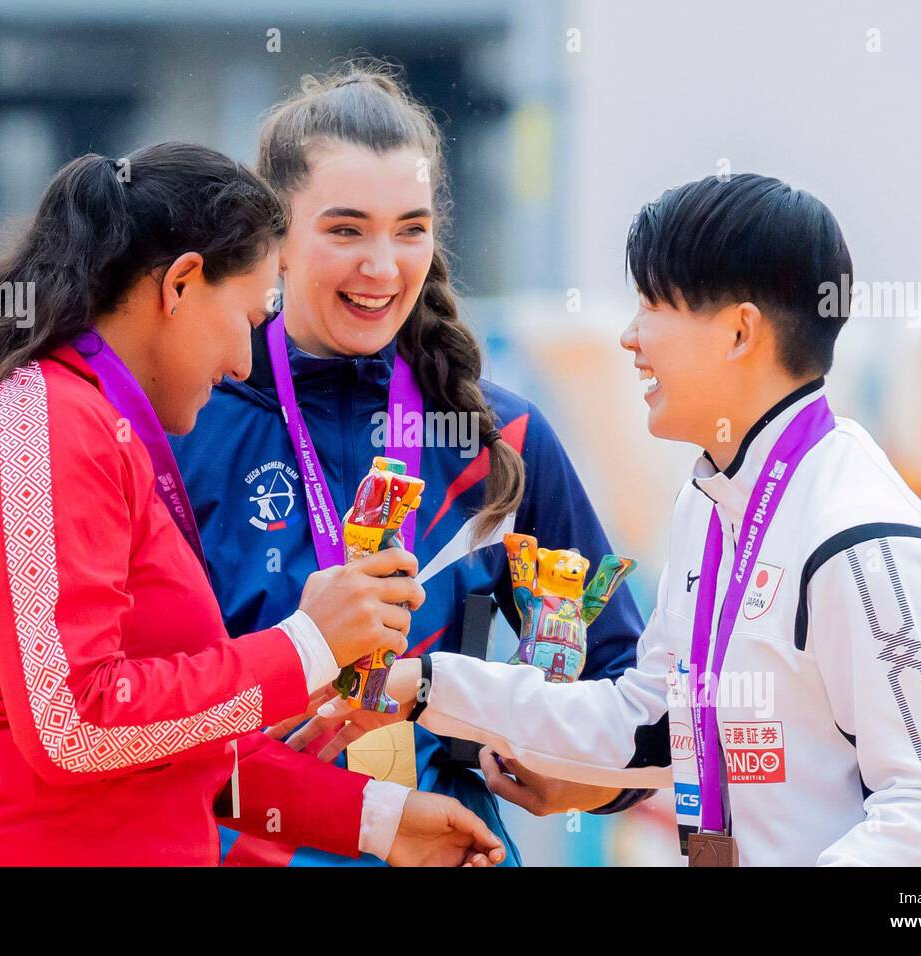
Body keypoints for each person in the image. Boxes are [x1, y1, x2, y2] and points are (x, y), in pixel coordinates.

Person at [301, 173, 921, 866]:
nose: (631, 339)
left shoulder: (860, 539)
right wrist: (421, 686)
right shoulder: (711, 503)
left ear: (738, 332)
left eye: (653, 307)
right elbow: (650, 722)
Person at [0, 141, 505, 866]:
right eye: (250, 319)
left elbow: (169, 748)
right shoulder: (48, 419)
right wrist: (307, 643)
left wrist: (377, 821)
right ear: (181, 285)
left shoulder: (90, 421)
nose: (244, 363)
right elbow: (75, 726)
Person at [170, 61, 648, 867]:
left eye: (411, 229)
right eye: (346, 229)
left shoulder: (500, 439)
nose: (383, 267)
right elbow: (132, 707)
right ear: (274, 236)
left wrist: (582, 781)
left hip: (451, 850)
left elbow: (626, 686)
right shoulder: (187, 422)